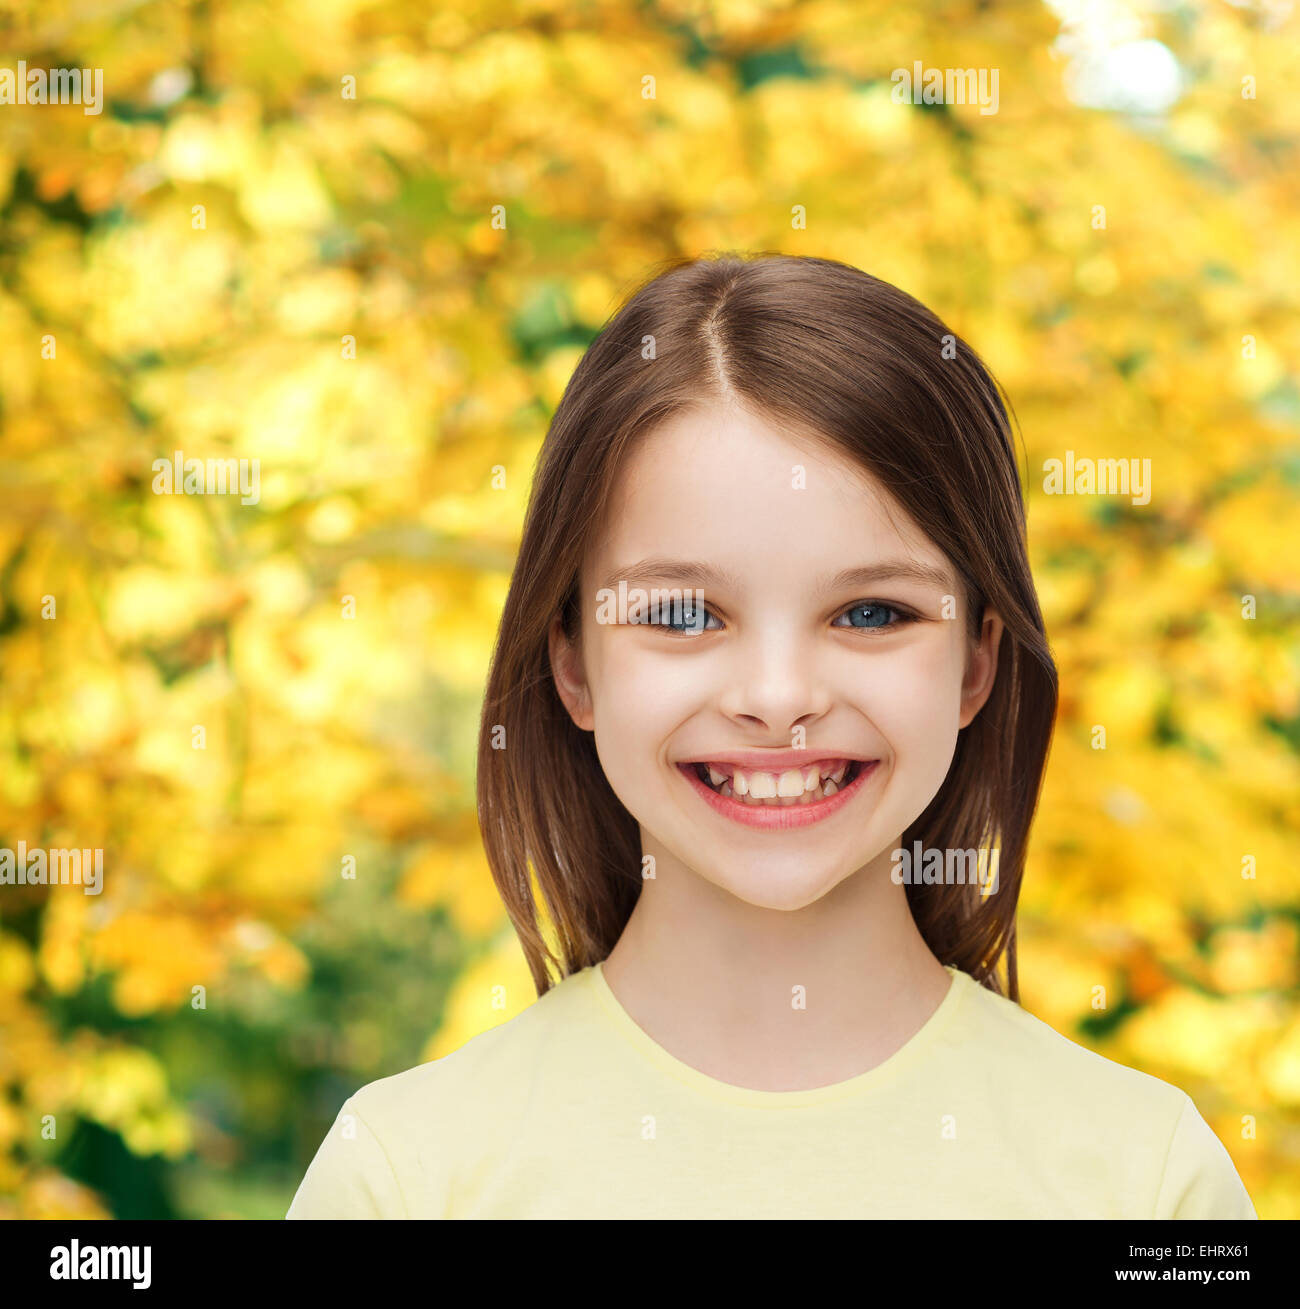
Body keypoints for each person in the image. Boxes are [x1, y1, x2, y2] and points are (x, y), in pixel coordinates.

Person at [286, 252, 1256, 1219]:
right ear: (573, 662)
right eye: (680, 614)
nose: (778, 697)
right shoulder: (403, 1178)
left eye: (872, 613)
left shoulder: (1146, 1181)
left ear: (976, 663)